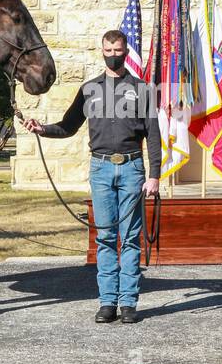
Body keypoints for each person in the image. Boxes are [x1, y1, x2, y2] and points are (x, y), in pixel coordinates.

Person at [24, 30, 160, 323]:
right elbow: (69, 125)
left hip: (133, 169)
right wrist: (42, 128)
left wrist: (155, 175)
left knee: (131, 239)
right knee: (106, 237)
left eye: (118, 50)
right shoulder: (89, 90)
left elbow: (154, 135)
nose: (113, 55)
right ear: (102, 51)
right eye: (108, 50)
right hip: (100, 169)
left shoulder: (143, 89)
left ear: (126, 50)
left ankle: (128, 304)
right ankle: (107, 302)